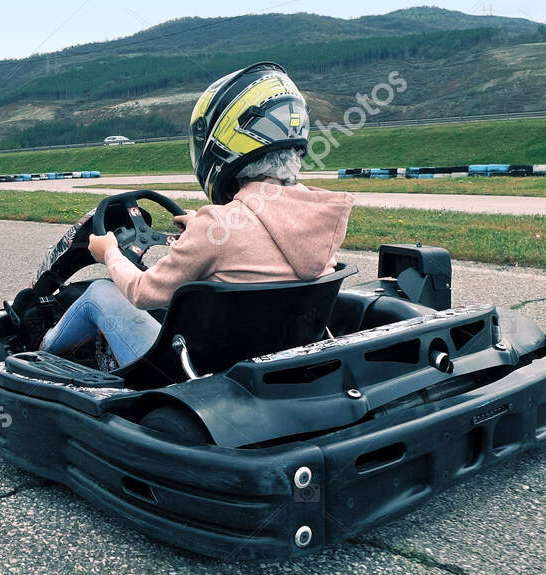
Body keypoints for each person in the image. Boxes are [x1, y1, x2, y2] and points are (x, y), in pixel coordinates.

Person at [41, 62, 355, 366]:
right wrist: (202, 225)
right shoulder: (320, 217)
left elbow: (142, 292)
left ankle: (35, 355)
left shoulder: (216, 229)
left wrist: (109, 252)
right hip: (276, 362)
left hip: (189, 371)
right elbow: (261, 234)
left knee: (100, 292)